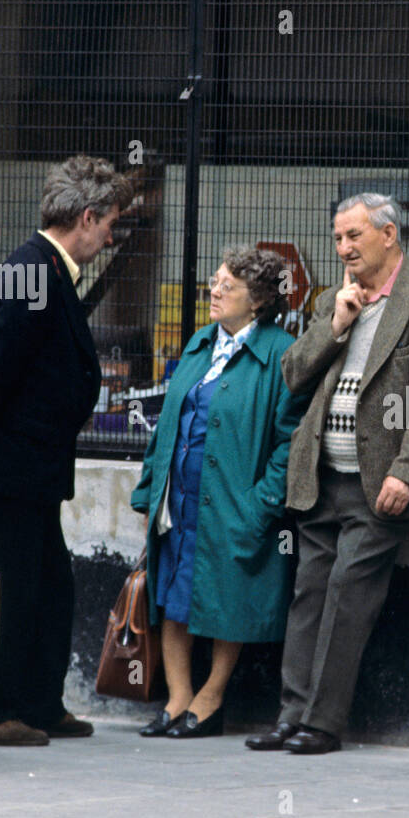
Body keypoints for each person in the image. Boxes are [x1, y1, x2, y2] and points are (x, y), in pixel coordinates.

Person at [245, 193, 409, 755]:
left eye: (354, 236)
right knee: (309, 593)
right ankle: (292, 714)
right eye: (338, 238)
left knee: (347, 592)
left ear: (388, 235)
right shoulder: (333, 300)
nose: (344, 248)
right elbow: (292, 375)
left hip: (380, 482)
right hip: (321, 474)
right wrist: (336, 324)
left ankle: (323, 722)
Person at [0, 155, 131, 746]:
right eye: (108, 226)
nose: (109, 238)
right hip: (11, 472)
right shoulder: (33, 272)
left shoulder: (48, 270)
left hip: (33, 470)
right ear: (86, 216)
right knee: (13, 587)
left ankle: (37, 701)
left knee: (50, 588)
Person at [130, 248, 307, 738]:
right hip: (179, 498)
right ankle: (178, 697)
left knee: (230, 594)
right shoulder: (199, 344)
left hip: (232, 501)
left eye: (228, 285)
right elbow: (168, 422)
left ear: (259, 301)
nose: (215, 290)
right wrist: (150, 488)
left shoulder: (280, 354)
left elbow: (291, 441)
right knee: (172, 592)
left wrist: (260, 504)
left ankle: (211, 698)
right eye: (214, 280)